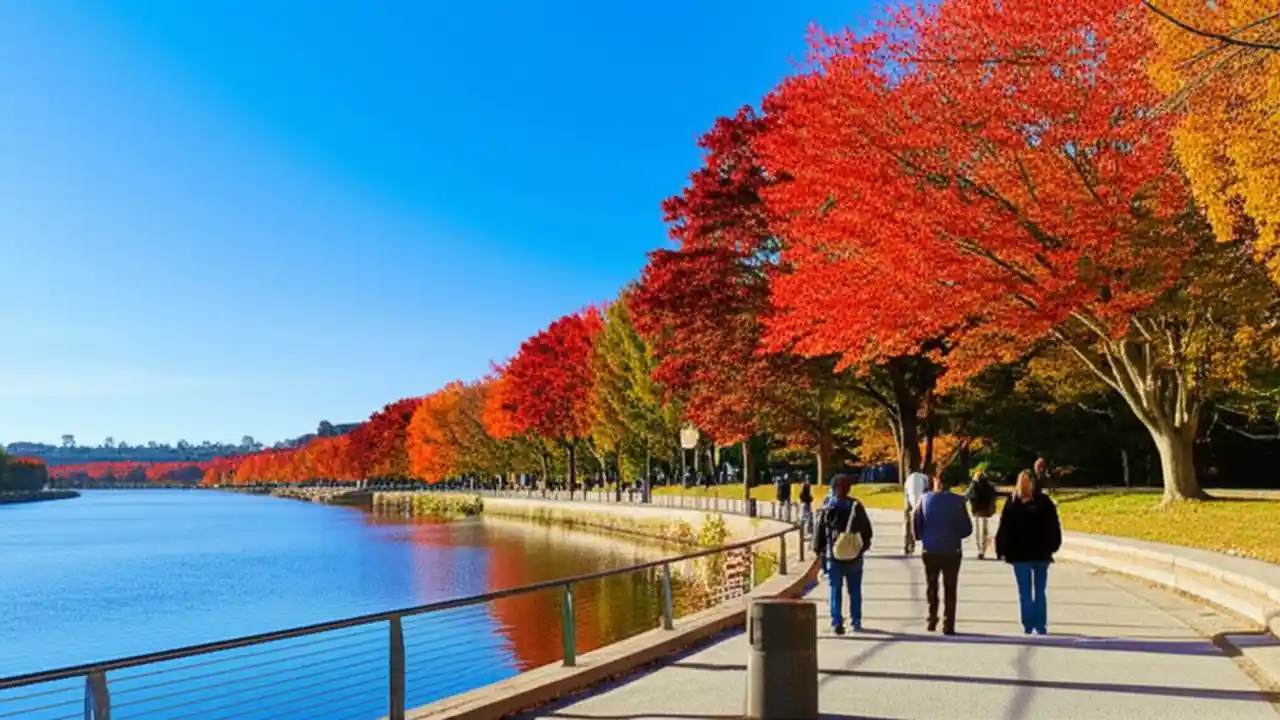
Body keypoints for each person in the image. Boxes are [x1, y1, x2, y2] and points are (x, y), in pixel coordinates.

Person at [996, 470, 1063, 635]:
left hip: (1019, 554)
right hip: (1041, 553)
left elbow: (1004, 528)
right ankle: (1040, 624)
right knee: (1040, 591)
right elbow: (1054, 527)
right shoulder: (1044, 502)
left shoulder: (1013, 502)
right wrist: (1053, 547)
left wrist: (1001, 549)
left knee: (1024, 591)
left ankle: (1027, 624)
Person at [812, 474, 874, 634]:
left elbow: (819, 532)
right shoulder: (856, 506)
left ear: (833, 489)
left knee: (835, 589)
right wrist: (862, 548)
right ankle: (856, 620)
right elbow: (867, 531)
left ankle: (836, 621)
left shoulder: (828, 507)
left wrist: (819, 551)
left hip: (833, 555)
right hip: (854, 555)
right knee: (855, 590)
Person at [913, 475, 973, 635]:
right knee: (950, 586)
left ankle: (932, 617)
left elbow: (916, 524)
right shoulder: (958, 501)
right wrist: (955, 534)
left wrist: (923, 537)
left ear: (935, 482)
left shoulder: (924, 499)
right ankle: (949, 622)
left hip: (930, 548)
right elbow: (967, 529)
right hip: (952, 549)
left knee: (932, 584)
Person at [964, 469, 999, 559]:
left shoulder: (973, 485)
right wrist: (992, 508)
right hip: (986, 511)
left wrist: (961, 503)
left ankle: (980, 549)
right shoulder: (989, 486)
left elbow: (966, 496)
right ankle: (983, 549)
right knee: (984, 531)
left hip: (977, 511)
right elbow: (994, 498)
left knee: (978, 531)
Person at [902, 471, 930, 555]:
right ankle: (923, 545)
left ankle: (907, 544)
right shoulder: (925, 478)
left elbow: (906, 494)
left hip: (911, 501)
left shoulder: (910, 478)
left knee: (907, 521)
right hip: (920, 502)